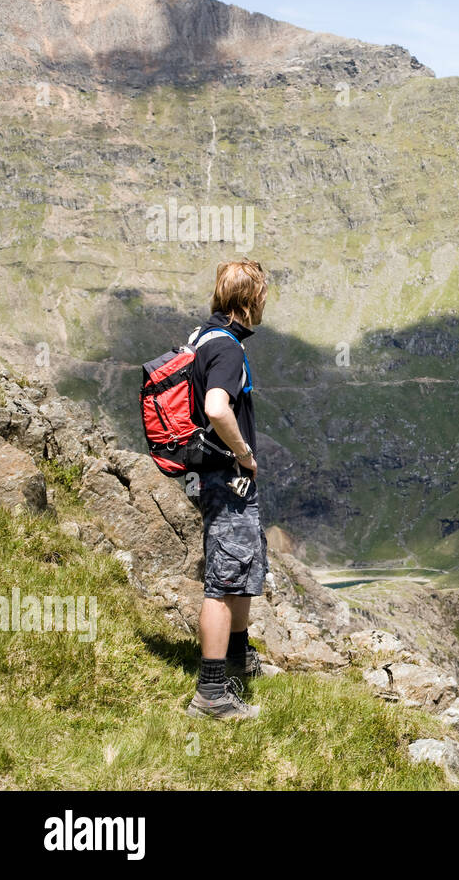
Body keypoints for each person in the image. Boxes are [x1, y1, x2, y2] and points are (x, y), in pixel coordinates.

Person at [185, 259, 269, 721]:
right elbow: (217, 407)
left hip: (208, 474)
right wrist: (244, 455)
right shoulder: (229, 349)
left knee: (239, 572)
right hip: (226, 478)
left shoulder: (202, 338)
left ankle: (237, 664)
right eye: (260, 296)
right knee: (223, 580)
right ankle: (212, 695)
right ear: (249, 301)